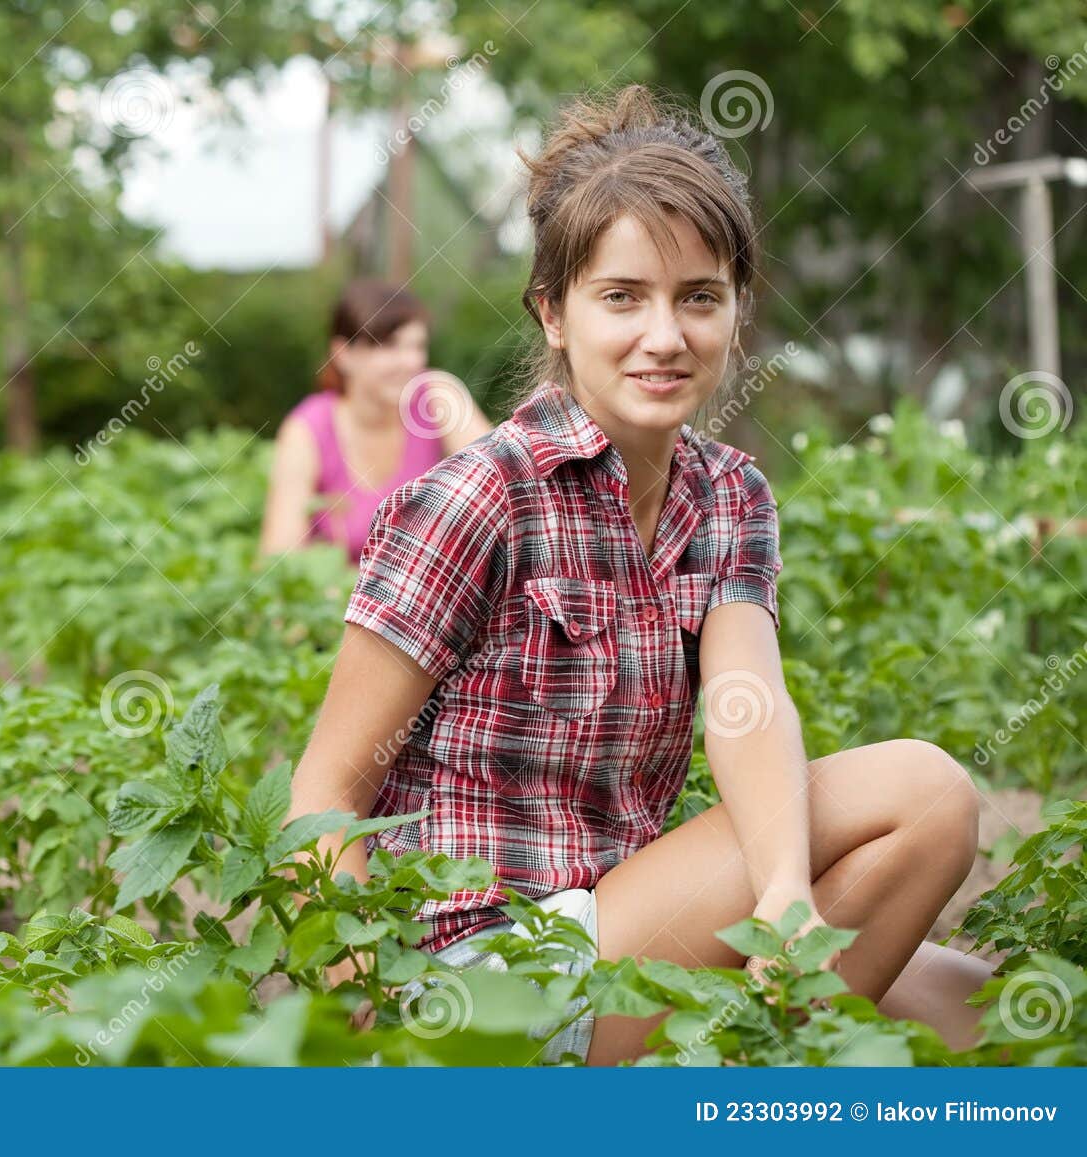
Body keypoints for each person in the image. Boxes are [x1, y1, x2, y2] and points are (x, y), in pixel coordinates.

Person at [286, 86, 994, 1065]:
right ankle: (734, 1089)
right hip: (472, 971)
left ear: (735, 310)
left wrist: (784, 885)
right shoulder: (477, 497)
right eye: (622, 296)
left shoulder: (728, 491)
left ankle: (724, 1076)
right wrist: (356, 1023)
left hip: (616, 922)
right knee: (926, 790)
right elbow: (321, 788)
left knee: (982, 1006)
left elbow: (749, 702)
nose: (664, 335)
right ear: (553, 312)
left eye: (697, 296)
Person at [258, 281, 493, 566]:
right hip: (339, 603)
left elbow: (505, 486)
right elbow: (277, 560)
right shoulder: (307, 429)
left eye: (417, 346)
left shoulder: (435, 397)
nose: (410, 361)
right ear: (343, 354)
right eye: (389, 346)